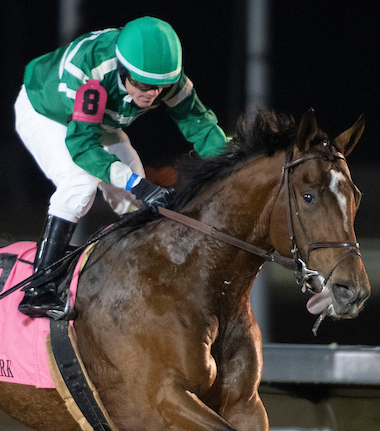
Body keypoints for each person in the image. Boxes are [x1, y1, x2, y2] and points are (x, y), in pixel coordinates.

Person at [14, 16, 229, 318]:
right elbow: (83, 148)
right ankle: (38, 287)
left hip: (97, 121)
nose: (152, 94)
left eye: (160, 86)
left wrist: (236, 160)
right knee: (81, 183)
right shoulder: (91, 74)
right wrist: (137, 185)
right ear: (122, 69)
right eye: (143, 84)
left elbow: (201, 127)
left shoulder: (164, 77)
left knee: (134, 203)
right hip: (47, 113)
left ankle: (139, 274)